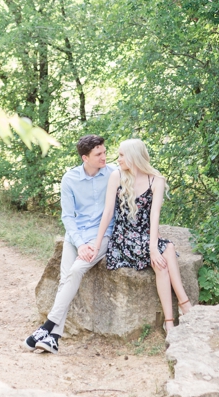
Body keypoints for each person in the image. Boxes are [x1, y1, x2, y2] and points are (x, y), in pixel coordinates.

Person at [81, 137, 193, 340]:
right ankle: (179, 312)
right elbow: (108, 213)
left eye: (122, 155)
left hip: (144, 235)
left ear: (134, 157)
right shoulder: (117, 176)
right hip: (124, 237)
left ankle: (174, 317)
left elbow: (155, 215)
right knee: (164, 258)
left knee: (164, 255)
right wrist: (97, 244)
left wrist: (153, 247)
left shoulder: (156, 180)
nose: (118, 159)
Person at [24, 134, 113, 354]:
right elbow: (67, 217)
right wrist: (80, 243)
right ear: (85, 158)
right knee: (65, 279)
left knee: (75, 270)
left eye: (104, 152)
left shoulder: (113, 174)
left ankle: (46, 328)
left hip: (102, 236)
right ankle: (54, 339)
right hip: (76, 236)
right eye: (98, 154)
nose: (104, 157)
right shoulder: (70, 178)